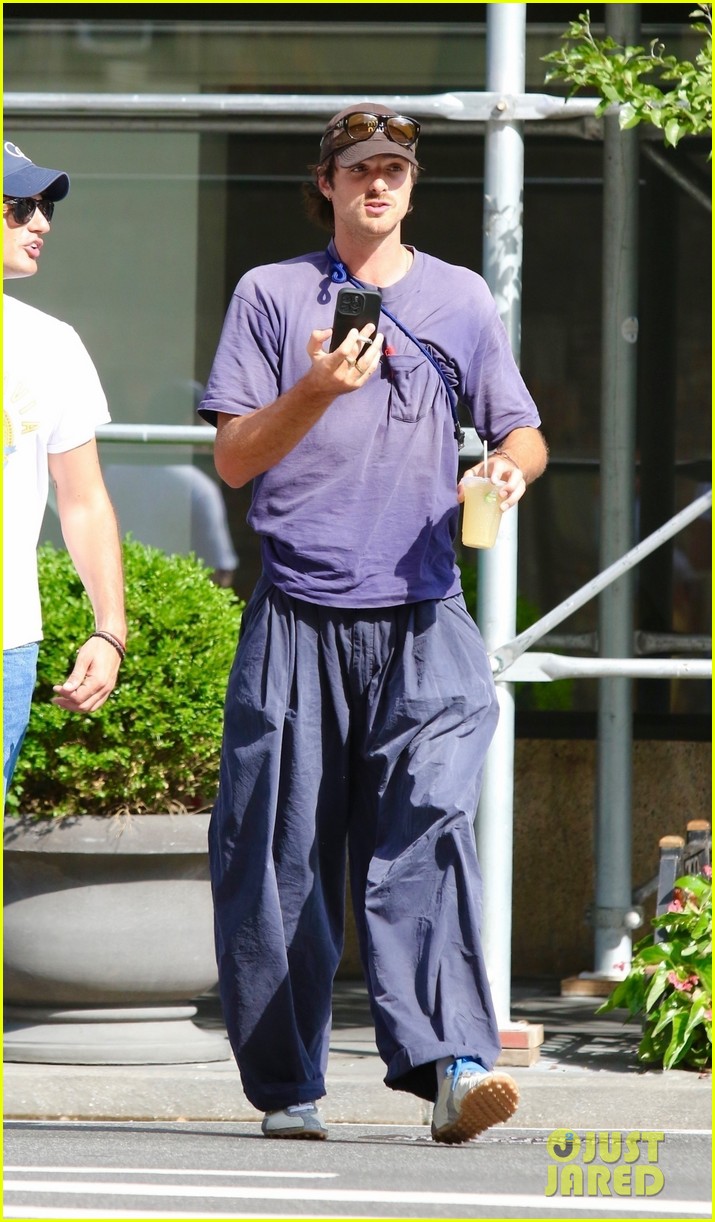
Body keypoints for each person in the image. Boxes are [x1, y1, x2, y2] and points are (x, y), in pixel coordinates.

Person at [199, 104, 548, 1143]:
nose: (378, 184)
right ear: (326, 184)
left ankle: (452, 1068)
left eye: (394, 168)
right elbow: (234, 458)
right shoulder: (270, 295)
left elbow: (523, 430)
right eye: (358, 170)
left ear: (411, 183)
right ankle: (289, 1083)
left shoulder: (461, 297)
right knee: (277, 859)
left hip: (423, 617)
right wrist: (314, 386)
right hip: (296, 613)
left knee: (428, 832)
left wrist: (502, 468)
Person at [3, 140, 126, 803]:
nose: (42, 223)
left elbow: (81, 500)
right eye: (20, 206)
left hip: (6, 648)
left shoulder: (51, 344)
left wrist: (110, 629)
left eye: (44, 207)